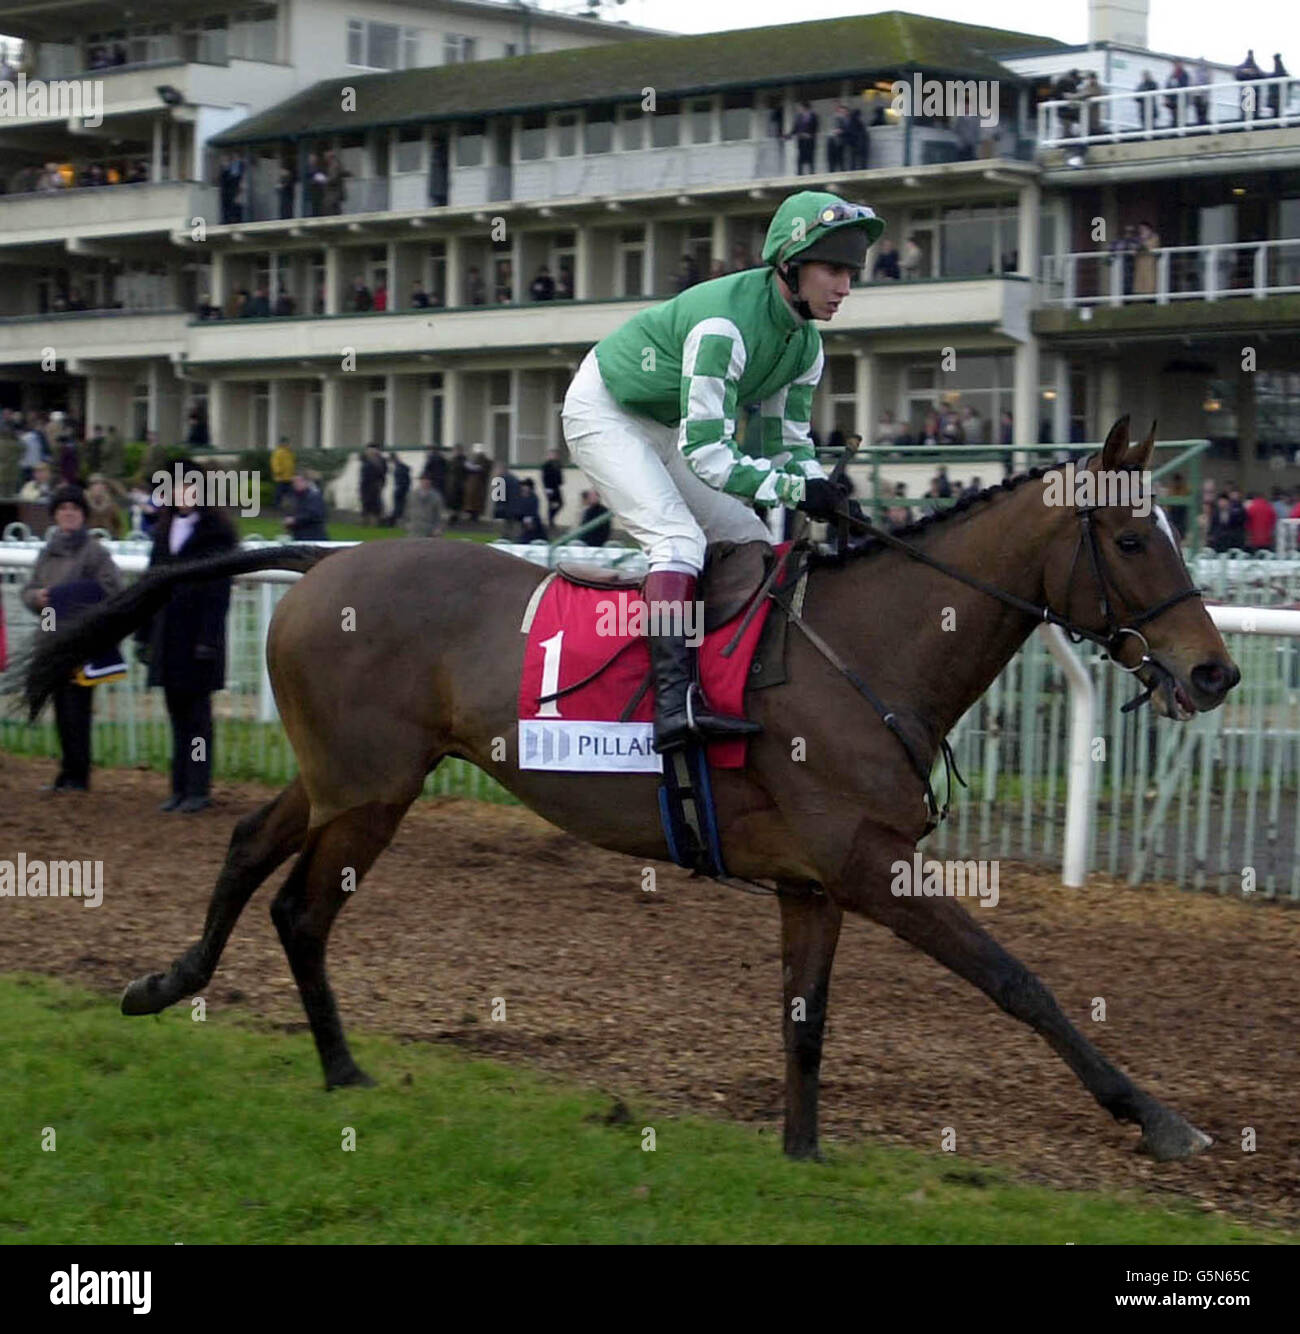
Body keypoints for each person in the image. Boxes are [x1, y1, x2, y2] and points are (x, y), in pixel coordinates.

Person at [561, 189, 882, 752]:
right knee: (678, 539)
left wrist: (824, 490)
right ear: (791, 262)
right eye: (834, 270)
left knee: (749, 535)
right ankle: (673, 706)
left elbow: (786, 445)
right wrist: (793, 490)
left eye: (852, 272)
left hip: (662, 428)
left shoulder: (805, 345)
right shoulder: (724, 327)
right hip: (605, 410)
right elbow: (709, 454)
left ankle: (727, 680)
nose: (846, 288)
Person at [134, 469, 237, 812]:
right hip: (168, 637)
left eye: (190, 487)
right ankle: (178, 786)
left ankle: (198, 788)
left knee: (197, 719)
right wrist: (144, 634)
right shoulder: (163, 534)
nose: (183, 493)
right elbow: (150, 586)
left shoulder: (217, 537)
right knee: (177, 716)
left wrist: (208, 639)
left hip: (198, 639)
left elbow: (219, 593)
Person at [22, 485, 124, 792]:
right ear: (56, 515)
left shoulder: (95, 552)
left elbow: (111, 590)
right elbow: (29, 589)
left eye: (74, 509)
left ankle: (79, 774)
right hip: (51, 639)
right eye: (63, 509)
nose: (68, 514)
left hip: (80, 644)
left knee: (77, 709)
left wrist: (73, 600)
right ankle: (67, 771)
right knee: (62, 709)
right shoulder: (47, 551)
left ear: (83, 515)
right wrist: (36, 598)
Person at [284, 470, 329, 539]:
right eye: (294, 481)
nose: (296, 484)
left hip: (314, 536)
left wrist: (294, 520)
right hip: (299, 536)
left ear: (306, 482)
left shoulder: (314, 496)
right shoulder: (294, 496)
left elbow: (314, 514)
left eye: (299, 481)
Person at [405, 473, 445, 537]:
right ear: (420, 481)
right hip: (414, 530)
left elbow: (440, 514)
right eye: (423, 480)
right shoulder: (412, 495)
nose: (425, 482)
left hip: (430, 530)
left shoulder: (436, 497)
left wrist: (439, 528)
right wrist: (407, 524)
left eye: (428, 480)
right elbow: (406, 511)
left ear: (431, 481)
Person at [358, 444, 386, 525]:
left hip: (375, 485)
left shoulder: (381, 461)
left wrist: (381, 483)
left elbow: (383, 473)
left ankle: (375, 521)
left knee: (376, 503)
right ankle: (365, 521)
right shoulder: (365, 459)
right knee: (365, 503)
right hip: (365, 484)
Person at [1133, 221, 1160, 297]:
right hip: (1140, 264)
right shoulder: (1137, 239)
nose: (1142, 231)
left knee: (1150, 283)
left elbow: (1150, 247)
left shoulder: (1154, 237)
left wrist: (1143, 242)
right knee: (1140, 284)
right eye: (1140, 229)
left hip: (1150, 264)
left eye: (1144, 229)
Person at [790, 101, 818, 174]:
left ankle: (812, 172)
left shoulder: (813, 116)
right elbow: (795, 128)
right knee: (800, 157)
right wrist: (789, 135)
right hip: (801, 140)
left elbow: (816, 128)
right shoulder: (798, 117)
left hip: (810, 140)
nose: (799, 109)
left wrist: (810, 135)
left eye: (800, 107)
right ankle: (800, 173)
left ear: (805, 108)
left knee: (810, 156)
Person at [270, 436, 295, 509]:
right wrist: (278, 471)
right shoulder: (278, 452)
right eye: (285, 442)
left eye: (287, 442)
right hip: (281, 477)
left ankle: (288, 505)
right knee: (279, 492)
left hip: (289, 476)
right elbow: (275, 463)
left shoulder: (289, 452)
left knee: (290, 492)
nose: (287, 444)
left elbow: (292, 462)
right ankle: (276, 504)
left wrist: (292, 472)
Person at [541, 448, 564, 529]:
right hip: (550, 488)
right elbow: (545, 477)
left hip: (556, 487)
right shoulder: (547, 465)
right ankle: (550, 521)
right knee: (552, 504)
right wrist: (547, 488)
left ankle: (551, 519)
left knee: (560, 503)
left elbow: (559, 475)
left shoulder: (557, 464)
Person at [386, 450, 411, 526]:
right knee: (401, 507)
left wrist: (399, 489)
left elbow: (401, 480)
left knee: (398, 507)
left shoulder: (398, 468)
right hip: (402, 489)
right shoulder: (402, 467)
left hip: (400, 489)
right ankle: (395, 521)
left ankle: (392, 522)